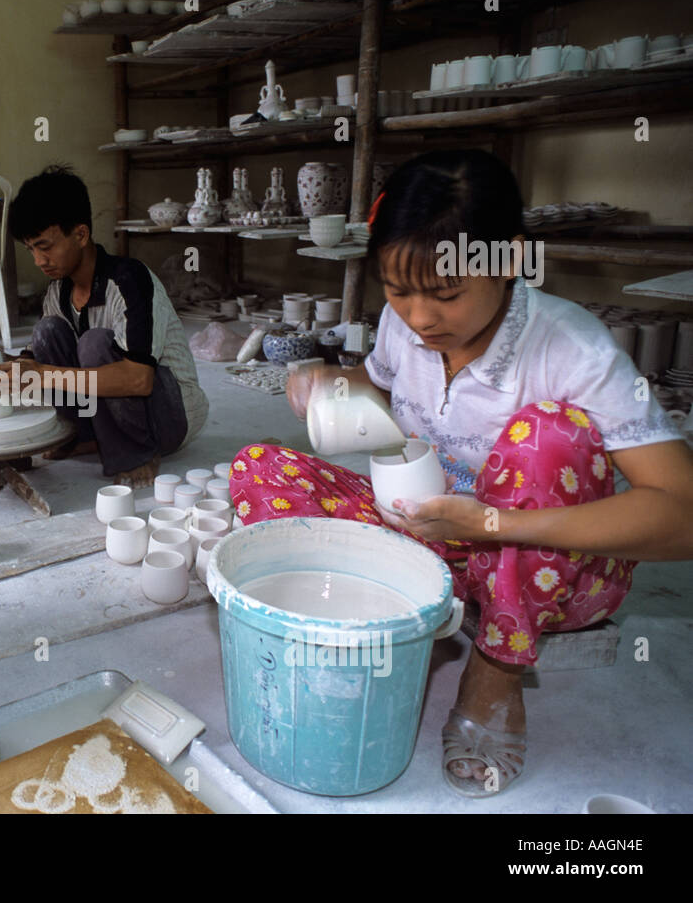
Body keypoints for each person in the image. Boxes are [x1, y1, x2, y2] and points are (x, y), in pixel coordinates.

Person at [230, 149, 693, 797]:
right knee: (261, 468)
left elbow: (681, 513)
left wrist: (496, 520)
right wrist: (330, 383)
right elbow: (380, 386)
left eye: (445, 294)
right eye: (397, 290)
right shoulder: (403, 325)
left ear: (508, 260)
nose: (419, 318)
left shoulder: (573, 347)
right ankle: (400, 616)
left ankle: (497, 669)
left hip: (551, 567)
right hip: (435, 537)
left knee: (545, 437)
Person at [0, 165, 208, 488]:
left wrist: (40, 372)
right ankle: (84, 436)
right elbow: (38, 366)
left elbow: (139, 379)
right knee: (47, 331)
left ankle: (137, 453)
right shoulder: (58, 291)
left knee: (95, 344)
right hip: (113, 405)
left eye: (46, 247)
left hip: (170, 413)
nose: (38, 261)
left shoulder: (129, 279)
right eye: (31, 249)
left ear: (81, 234)